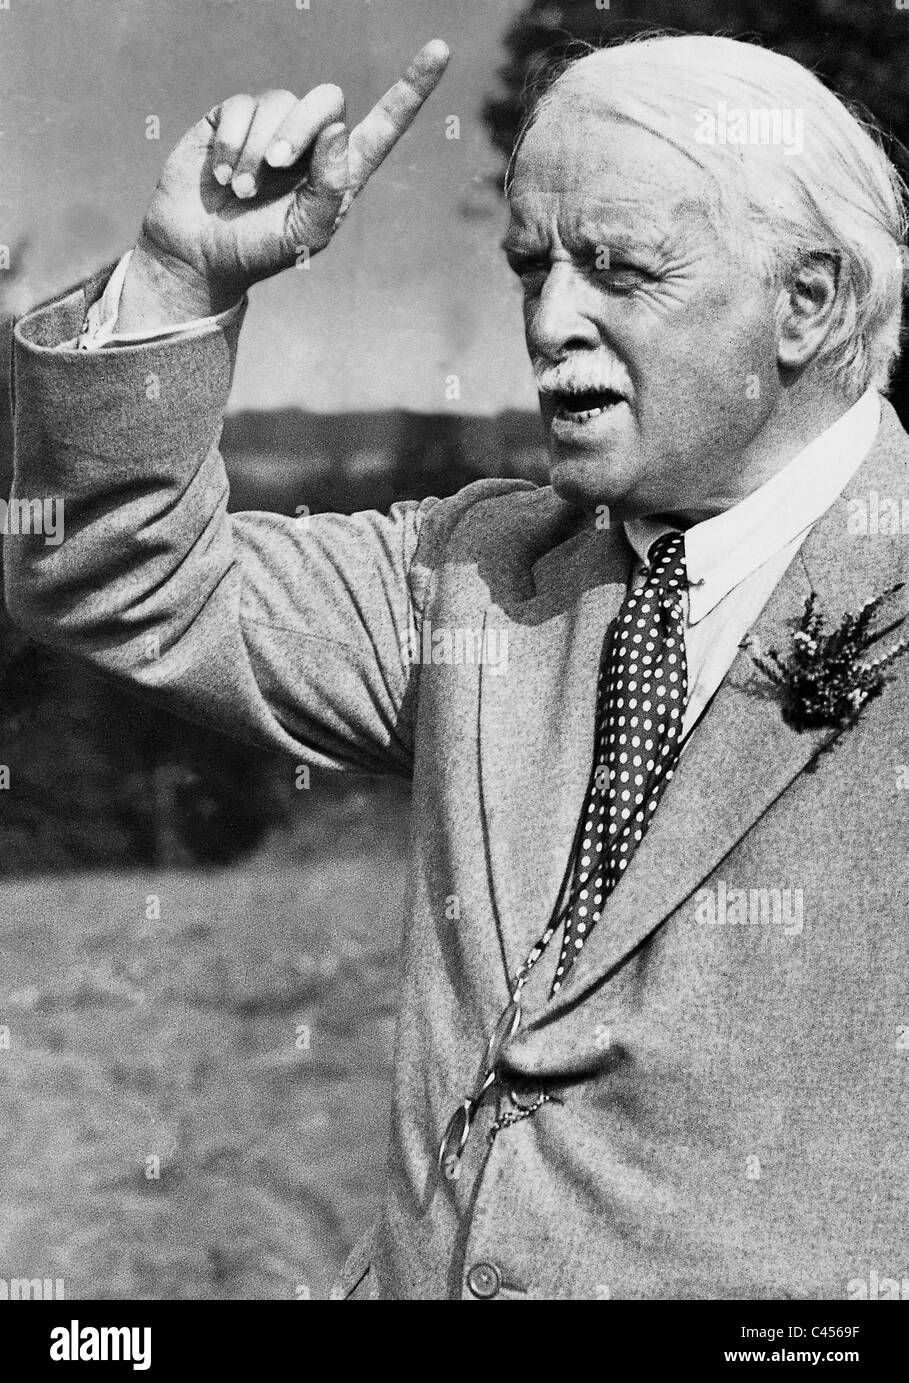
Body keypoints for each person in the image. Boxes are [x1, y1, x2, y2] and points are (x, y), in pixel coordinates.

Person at [6, 33, 909, 1300]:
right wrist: (175, 275)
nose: (548, 321)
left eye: (618, 269)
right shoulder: (476, 570)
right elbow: (115, 572)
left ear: (804, 303)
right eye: (533, 266)